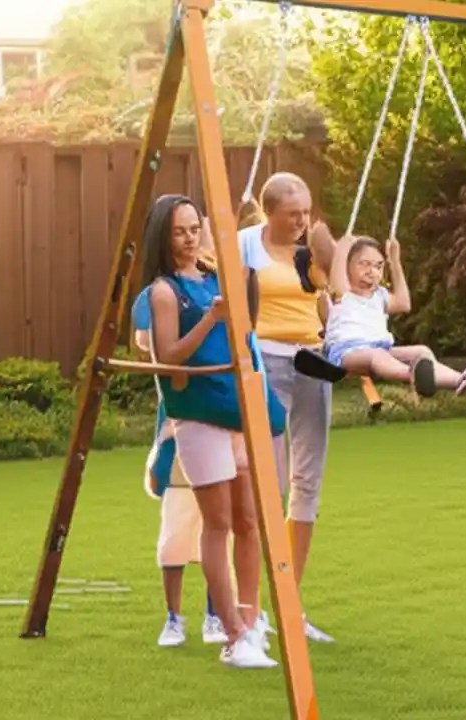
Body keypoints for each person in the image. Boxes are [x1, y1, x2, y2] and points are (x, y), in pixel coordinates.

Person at [141, 194, 290, 669]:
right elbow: (167, 358)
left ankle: (250, 617)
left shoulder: (211, 278)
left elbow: (245, 331)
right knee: (218, 522)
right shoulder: (164, 291)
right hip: (199, 414)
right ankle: (232, 634)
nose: (189, 239)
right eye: (179, 231)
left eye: (193, 229)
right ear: (164, 236)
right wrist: (211, 318)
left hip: (234, 410)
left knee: (248, 519)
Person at [236, 172, 336, 643]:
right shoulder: (243, 246)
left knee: (307, 481)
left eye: (305, 211)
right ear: (268, 211)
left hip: (313, 362)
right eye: (291, 213)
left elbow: (332, 299)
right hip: (267, 362)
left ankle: (289, 605)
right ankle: (252, 607)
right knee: (268, 485)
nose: (300, 220)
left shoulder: (311, 252)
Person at [132, 282, 227, 649]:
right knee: (174, 536)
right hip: (178, 435)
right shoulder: (158, 292)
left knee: (217, 528)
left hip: (217, 426)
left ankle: (215, 613)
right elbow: (148, 342)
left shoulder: (218, 285)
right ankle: (173, 617)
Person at [324, 233, 466, 395]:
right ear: (347, 266)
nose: (372, 270)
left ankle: (461, 380)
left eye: (378, 266)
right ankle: (413, 375)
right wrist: (341, 250)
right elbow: (338, 276)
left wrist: (395, 262)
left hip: (380, 349)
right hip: (346, 353)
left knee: (421, 351)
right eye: (364, 264)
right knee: (378, 356)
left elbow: (404, 303)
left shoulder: (379, 296)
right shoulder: (343, 293)